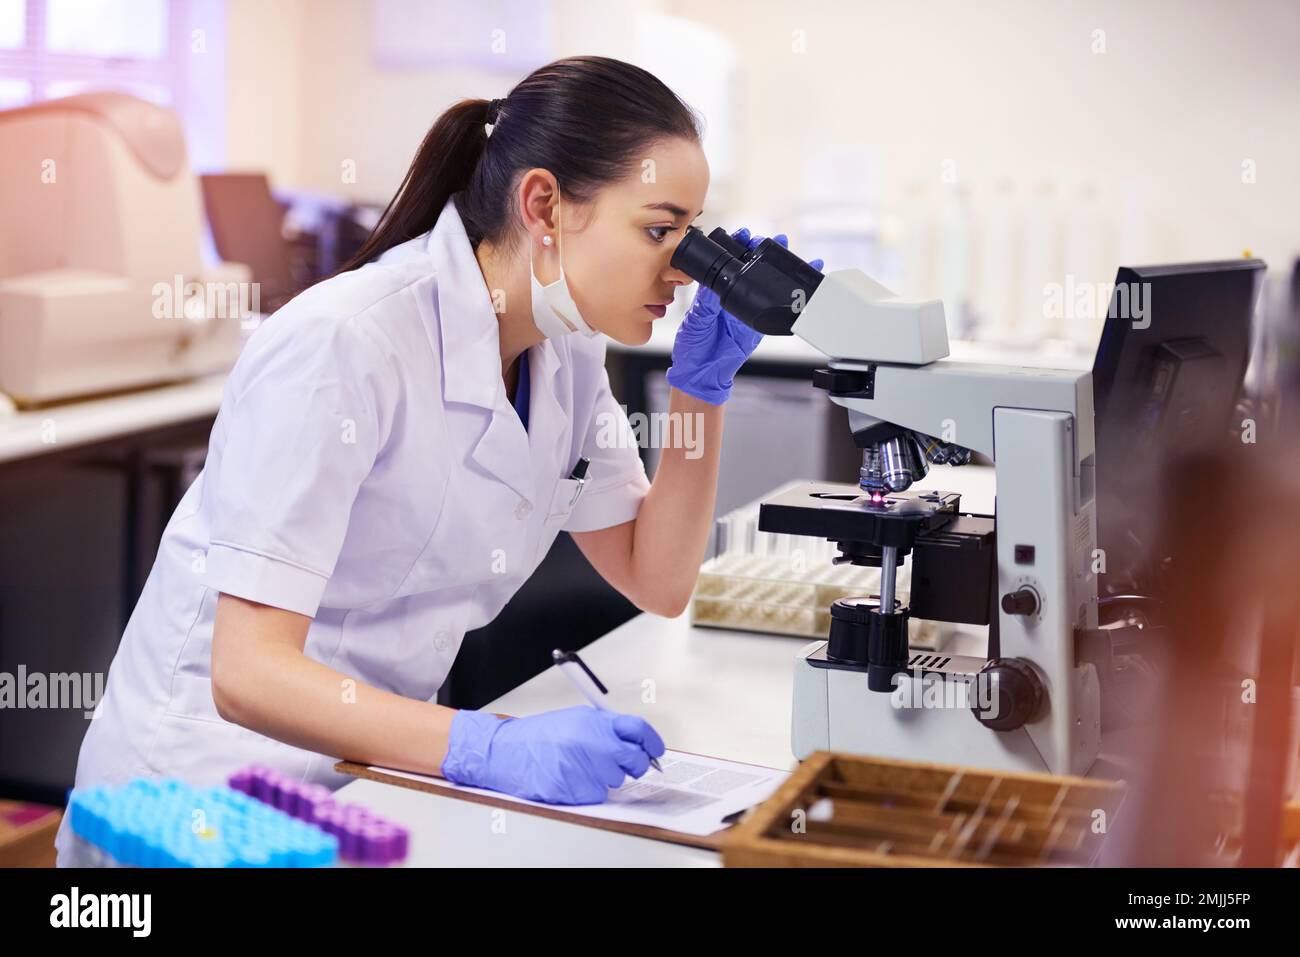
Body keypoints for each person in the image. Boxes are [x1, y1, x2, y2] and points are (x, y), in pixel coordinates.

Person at [55, 55, 817, 864]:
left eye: (689, 237)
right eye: (659, 231)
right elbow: (246, 675)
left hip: (369, 780)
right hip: (198, 798)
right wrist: (486, 746)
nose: (678, 268)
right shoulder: (347, 340)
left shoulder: (565, 359)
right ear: (543, 204)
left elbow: (656, 579)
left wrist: (700, 390)